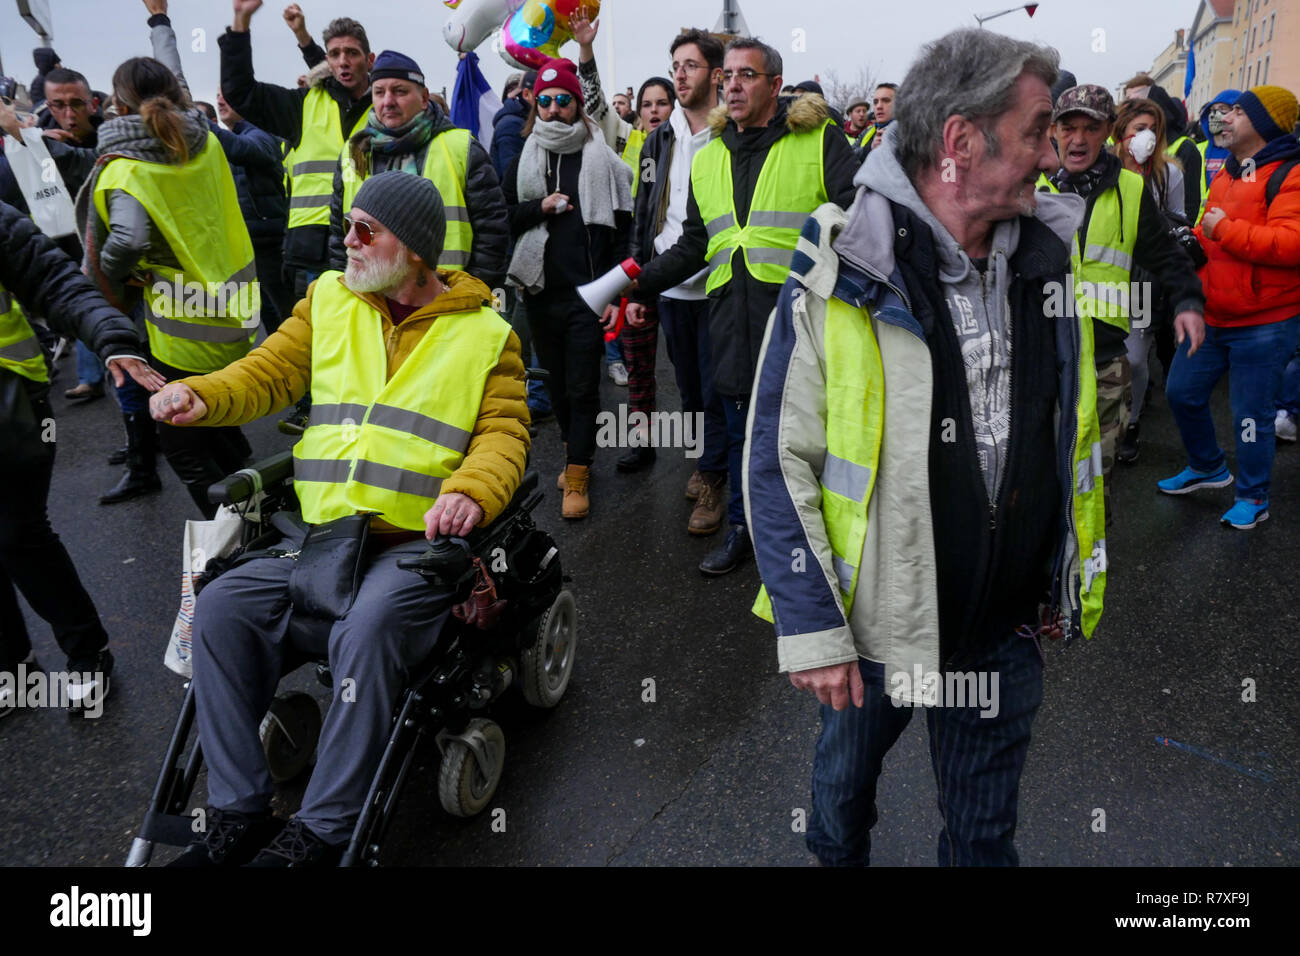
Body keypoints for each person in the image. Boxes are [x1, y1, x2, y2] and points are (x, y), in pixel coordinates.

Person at [747, 28, 1107, 867]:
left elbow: (1068, 430)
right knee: (840, 815)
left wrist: (1061, 566)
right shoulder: (845, 261)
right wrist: (814, 630)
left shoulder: (1052, 253)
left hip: (1003, 630)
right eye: (1036, 129)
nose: (1051, 153)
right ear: (960, 141)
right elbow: (775, 455)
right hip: (875, 631)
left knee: (984, 842)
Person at [152, 171, 529, 865]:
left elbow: (505, 432)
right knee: (223, 608)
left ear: (414, 250)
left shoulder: (486, 335)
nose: (347, 242)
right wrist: (199, 396)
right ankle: (238, 811)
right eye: (347, 226)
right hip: (323, 540)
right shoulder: (328, 299)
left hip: (415, 546)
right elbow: (263, 373)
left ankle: (323, 832)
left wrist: (472, 490)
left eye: (366, 231)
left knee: (370, 628)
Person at [630, 36, 858, 575]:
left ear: (775, 86)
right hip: (729, 316)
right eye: (727, 75)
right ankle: (743, 527)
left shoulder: (818, 141)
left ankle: (812, 540)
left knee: (805, 434)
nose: (732, 84)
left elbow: (855, 221)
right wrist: (635, 283)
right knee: (741, 430)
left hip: (799, 318)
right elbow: (693, 243)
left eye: (746, 76)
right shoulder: (707, 157)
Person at [0, 196, 164, 719]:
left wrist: (112, 336)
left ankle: (87, 653)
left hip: (10, 402)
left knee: (17, 533)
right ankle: (14, 666)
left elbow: (57, 282)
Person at [76, 56, 260, 516]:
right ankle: (262, 513)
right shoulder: (207, 145)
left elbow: (127, 239)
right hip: (236, 308)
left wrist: (122, 272)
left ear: (116, 105)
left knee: (184, 446)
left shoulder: (124, 169)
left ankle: (239, 541)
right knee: (218, 426)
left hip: (181, 330)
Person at [1044, 84, 1204, 518]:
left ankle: (1088, 575)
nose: (1078, 139)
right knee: (1042, 482)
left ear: (1106, 133)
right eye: (1068, 127)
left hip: (1105, 360)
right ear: (1053, 130)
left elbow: (1169, 256)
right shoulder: (1032, 185)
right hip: (1042, 359)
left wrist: (1189, 302)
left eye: (1090, 128)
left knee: (1096, 480)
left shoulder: (1131, 190)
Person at [1161, 86, 1300, 529]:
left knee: (1250, 416)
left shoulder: (1290, 173)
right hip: (1213, 312)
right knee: (1181, 393)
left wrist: (1224, 231)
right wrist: (1194, 240)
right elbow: (1211, 228)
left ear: (1263, 122)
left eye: (1237, 111)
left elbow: (1291, 244)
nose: (1224, 119)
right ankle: (1208, 466)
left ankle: (1253, 496)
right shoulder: (1230, 171)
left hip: (1265, 321)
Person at [503, 59, 633, 520]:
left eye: (564, 100)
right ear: (535, 105)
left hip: (589, 294)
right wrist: (539, 206)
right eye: (545, 101)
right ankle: (574, 449)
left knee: (582, 387)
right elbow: (505, 219)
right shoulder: (525, 157)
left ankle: (577, 472)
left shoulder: (605, 160)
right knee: (557, 386)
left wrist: (618, 293)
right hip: (540, 292)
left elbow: (623, 232)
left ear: (579, 105)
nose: (554, 109)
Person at [626, 27, 728, 530]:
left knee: (717, 389)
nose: (680, 74)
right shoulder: (658, 140)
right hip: (668, 283)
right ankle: (703, 460)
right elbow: (643, 218)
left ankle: (715, 478)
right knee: (687, 388)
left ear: (716, 73)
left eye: (690, 65)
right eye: (675, 66)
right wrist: (640, 284)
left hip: (719, 282)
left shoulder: (734, 134)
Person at [219, 0, 374, 298]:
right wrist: (240, 23)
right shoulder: (301, 106)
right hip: (311, 253)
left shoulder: (385, 108)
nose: (343, 61)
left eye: (352, 53)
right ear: (327, 62)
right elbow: (240, 92)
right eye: (335, 54)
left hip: (373, 246)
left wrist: (304, 37)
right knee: (314, 341)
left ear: (369, 60)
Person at [327, 50, 509, 290]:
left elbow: (492, 232)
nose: (388, 101)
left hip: (445, 297)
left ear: (424, 98)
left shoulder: (461, 148)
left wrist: (472, 290)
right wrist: (348, 290)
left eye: (400, 91)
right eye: (379, 92)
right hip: (373, 298)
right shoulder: (354, 153)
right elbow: (340, 235)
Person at [1109, 97, 1190, 464]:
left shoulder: (1169, 174)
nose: (1147, 137)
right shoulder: (1103, 167)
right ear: (1121, 133)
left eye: (1154, 131)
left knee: (1138, 360)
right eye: (1139, 129)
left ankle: (1132, 422)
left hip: (1144, 280)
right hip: (1104, 277)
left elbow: (1179, 219)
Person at [866, 82, 897, 151]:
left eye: (886, 100)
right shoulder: (867, 131)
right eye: (875, 102)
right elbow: (851, 155)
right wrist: (870, 148)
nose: (879, 106)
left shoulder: (910, 134)